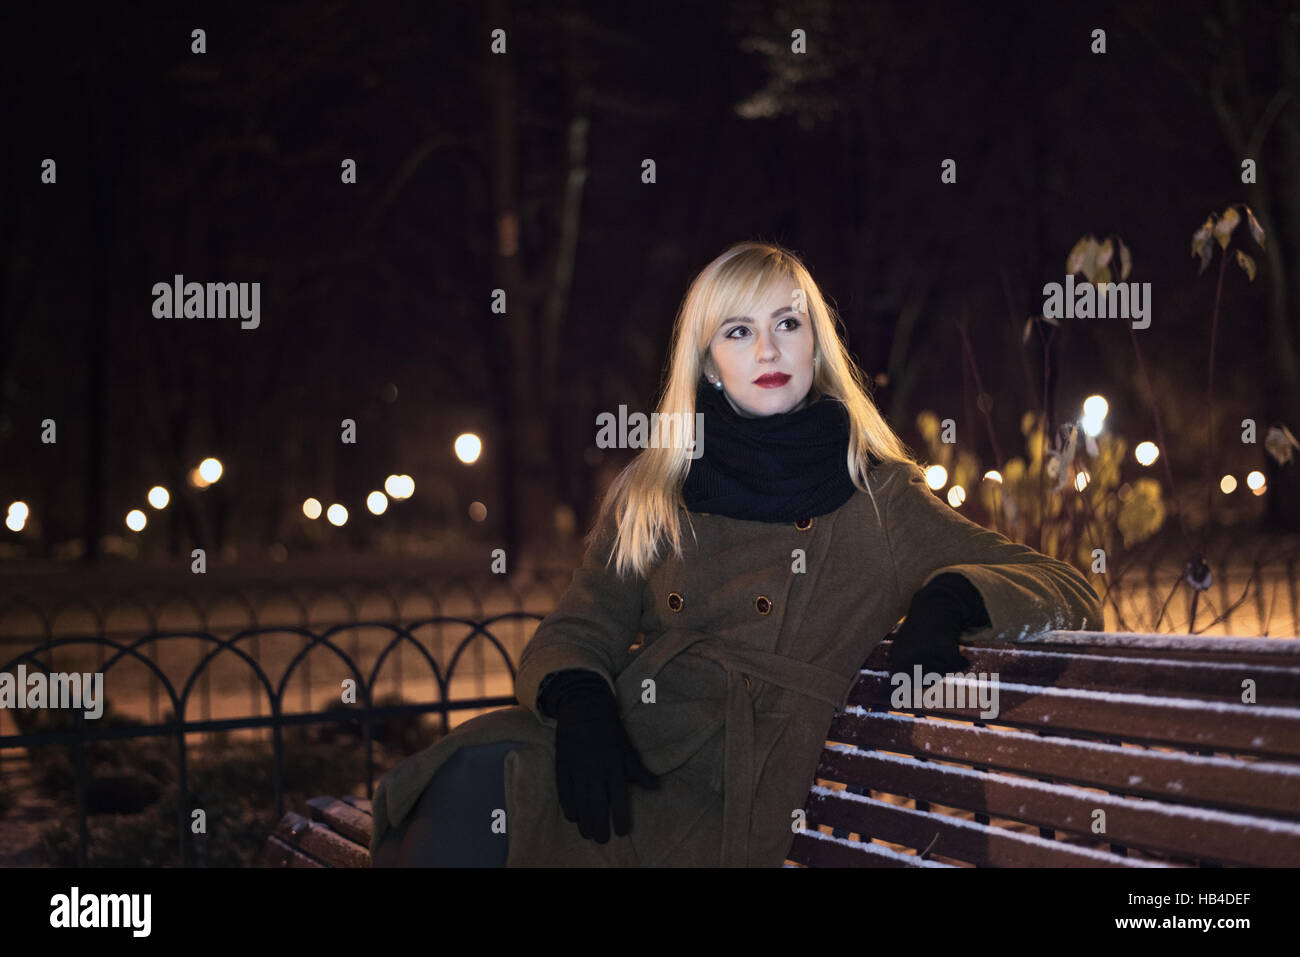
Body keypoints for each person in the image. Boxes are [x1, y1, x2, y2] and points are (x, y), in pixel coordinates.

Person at [370, 240, 1103, 867]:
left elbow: (1061, 583)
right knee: (465, 774)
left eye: (788, 323)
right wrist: (583, 704)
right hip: (624, 749)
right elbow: (577, 628)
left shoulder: (877, 496)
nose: (769, 349)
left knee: (476, 799)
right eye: (739, 331)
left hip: (726, 795)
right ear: (710, 363)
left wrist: (949, 600)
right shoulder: (657, 486)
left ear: (815, 346)